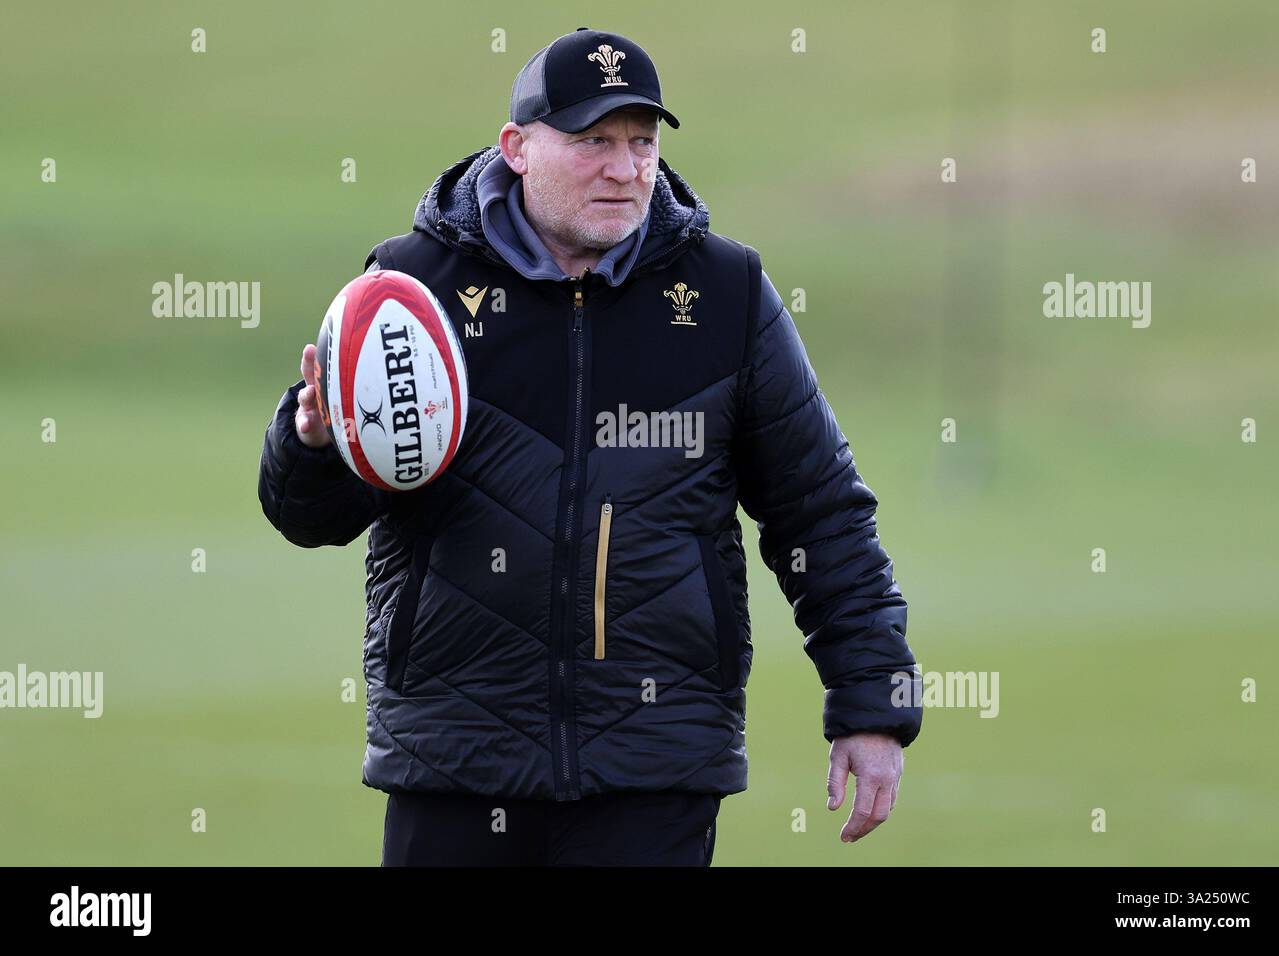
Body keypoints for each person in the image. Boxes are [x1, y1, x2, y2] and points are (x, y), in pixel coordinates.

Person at [257, 26, 922, 867]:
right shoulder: (410, 286)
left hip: (654, 764)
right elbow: (312, 517)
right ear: (518, 148)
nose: (625, 167)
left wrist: (871, 702)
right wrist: (314, 442)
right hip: (455, 759)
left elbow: (819, 511)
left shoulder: (725, 295)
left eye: (641, 143)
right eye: (593, 142)